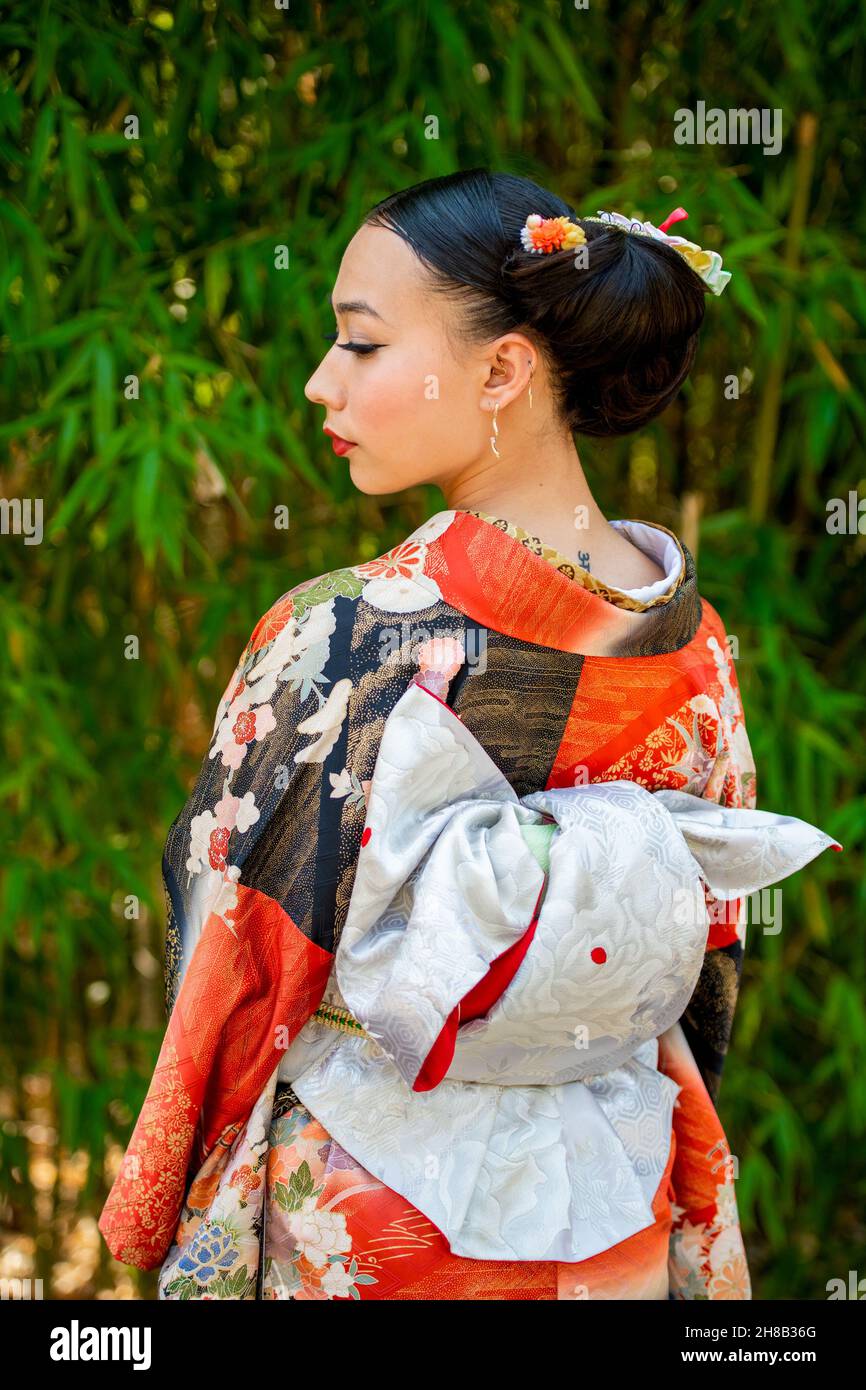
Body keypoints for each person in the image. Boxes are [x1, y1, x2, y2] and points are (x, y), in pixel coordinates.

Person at [97, 169, 839, 1300]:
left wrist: (163, 1200)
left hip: (373, 1199)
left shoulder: (340, 633)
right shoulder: (697, 643)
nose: (316, 384)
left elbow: (230, 956)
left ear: (501, 370)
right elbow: (708, 965)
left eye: (360, 345)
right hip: (613, 1193)